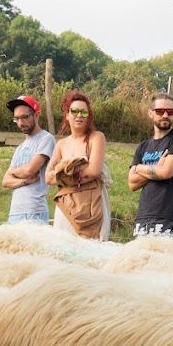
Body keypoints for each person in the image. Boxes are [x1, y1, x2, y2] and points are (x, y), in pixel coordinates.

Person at [47, 90, 110, 240]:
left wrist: (63, 174)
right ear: (67, 115)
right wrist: (78, 171)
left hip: (91, 204)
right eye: (74, 111)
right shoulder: (61, 144)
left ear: (89, 116)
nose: (79, 115)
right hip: (65, 206)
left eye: (84, 112)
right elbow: (48, 177)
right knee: (62, 248)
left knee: (93, 249)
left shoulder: (96, 138)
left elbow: (93, 171)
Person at [128, 92, 173, 238]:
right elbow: (131, 183)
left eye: (170, 112)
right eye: (159, 111)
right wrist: (156, 167)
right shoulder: (142, 147)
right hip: (143, 218)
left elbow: (166, 173)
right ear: (151, 113)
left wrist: (138, 168)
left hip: (169, 220)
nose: (165, 115)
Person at [1, 95, 55, 224]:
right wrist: (24, 181)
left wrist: (14, 172)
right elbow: (5, 181)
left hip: (34, 211)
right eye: (17, 119)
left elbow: (30, 170)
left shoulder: (46, 139)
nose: (20, 123)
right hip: (15, 212)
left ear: (36, 115)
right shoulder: (20, 148)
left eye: (25, 117)